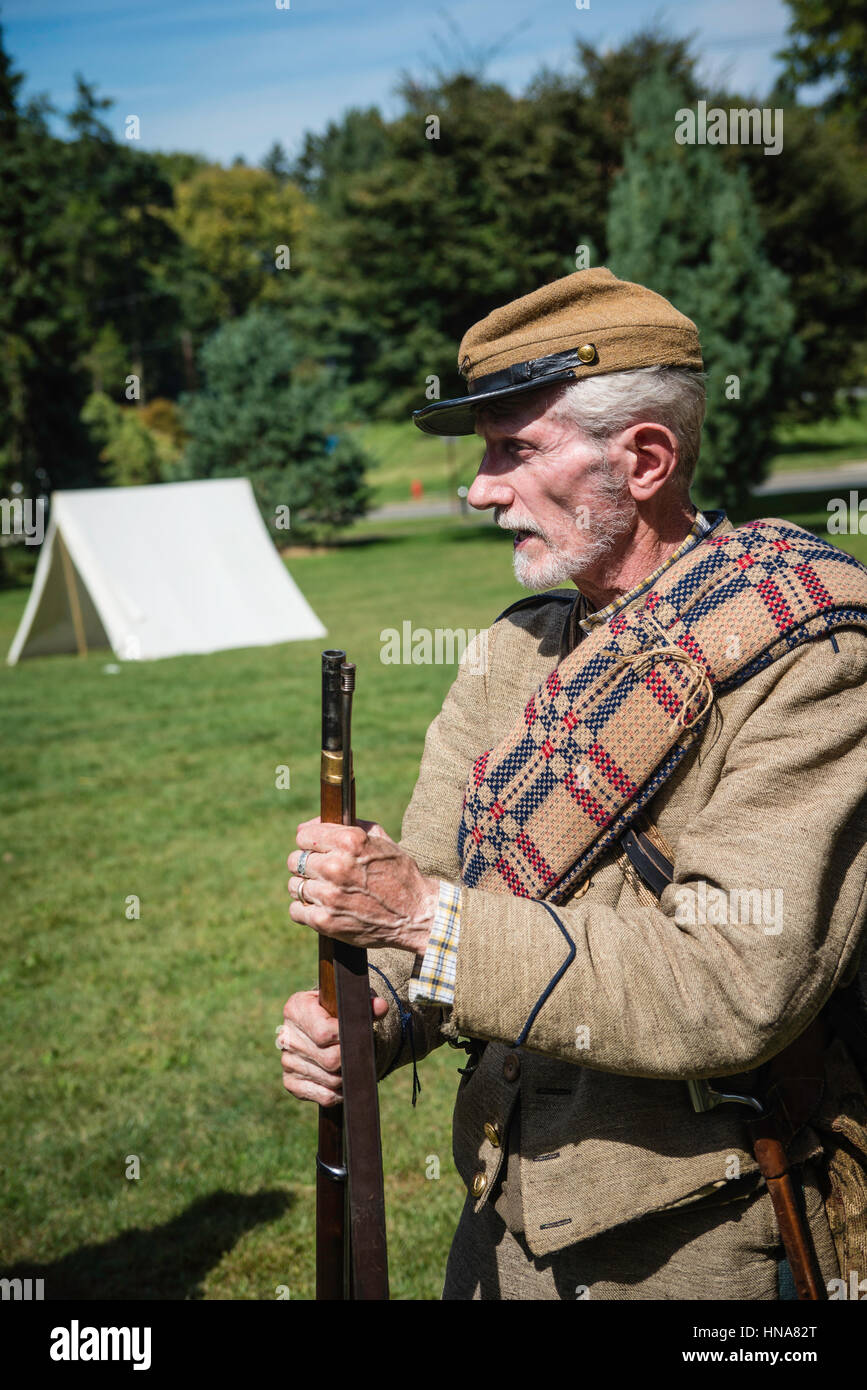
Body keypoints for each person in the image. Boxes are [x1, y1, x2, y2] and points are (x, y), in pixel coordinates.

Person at [278, 268, 867, 1300]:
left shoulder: (807, 650)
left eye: (514, 447)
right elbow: (432, 907)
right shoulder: (510, 654)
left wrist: (421, 916)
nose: (478, 487)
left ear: (643, 459)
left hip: (700, 1241)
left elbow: (734, 982)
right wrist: (373, 1018)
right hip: (495, 1216)